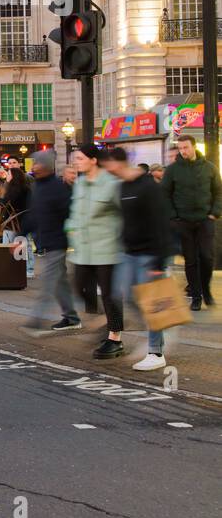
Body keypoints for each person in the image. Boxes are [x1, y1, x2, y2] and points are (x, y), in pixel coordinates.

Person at [102, 147, 175, 372]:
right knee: (119, 294)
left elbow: (162, 223)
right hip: (128, 253)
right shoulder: (123, 186)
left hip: (149, 255)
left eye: (109, 165)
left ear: (119, 163)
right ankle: (162, 326)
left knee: (150, 303)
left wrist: (159, 262)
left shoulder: (148, 187)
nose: (107, 170)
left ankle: (156, 351)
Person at [66, 145, 126, 359]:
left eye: (80, 158)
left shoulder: (111, 184)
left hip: (107, 249)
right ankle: (106, 321)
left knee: (110, 295)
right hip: (83, 250)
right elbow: (74, 213)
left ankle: (115, 338)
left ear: (93, 160)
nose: (77, 162)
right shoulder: (81, 183)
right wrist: (70, 229)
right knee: (78, 287)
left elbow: (124, 215)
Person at [16, 150, 78, 333]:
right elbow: (32, 214)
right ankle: (72, 317)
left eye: (38, 163)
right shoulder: (37, 187)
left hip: (57, 242)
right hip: (46, 241)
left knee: (49, 281)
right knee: (60, 281)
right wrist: (21, 235)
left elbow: (67, 214)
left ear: (47, 166)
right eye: (34, 163)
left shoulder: (57, 188)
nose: (35, 166)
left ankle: (37, 320)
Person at [159, 135, 222, 311]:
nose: (183, 151)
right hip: (183, 221)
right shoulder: (172, 170)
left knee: (207, 257)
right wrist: (174, 217)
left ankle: (206, 290)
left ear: (194, 146)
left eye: (186, 147)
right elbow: (164, 194)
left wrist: (215, 212)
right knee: (191, 260)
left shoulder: (209, 168)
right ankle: (196, 295)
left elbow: (218, 191)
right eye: (180, 148)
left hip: (205, 219)